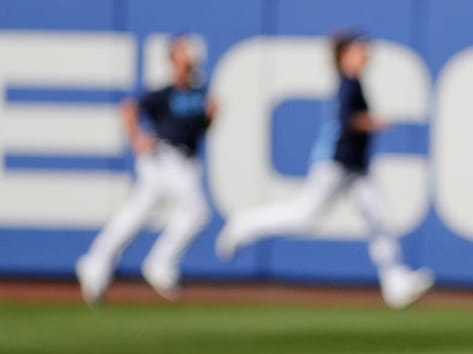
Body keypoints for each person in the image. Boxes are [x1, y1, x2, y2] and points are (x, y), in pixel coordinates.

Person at [215, 30, 433, 310]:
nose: (366, 54)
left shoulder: (355, 82)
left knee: (379, 219)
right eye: (360, 50)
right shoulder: (348, 84)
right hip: (335, 164)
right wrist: (371, 122)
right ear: (345, 56)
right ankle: (243, 223)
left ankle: (395, 282)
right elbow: (347, 119)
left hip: (354, 167)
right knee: (304, 216)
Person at [76, 35, 218, 305]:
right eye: (184, 52)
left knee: (135, 215)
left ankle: (94, 264)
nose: (191, 57)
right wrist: (136, 137)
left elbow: (200, 130)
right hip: (162, 157)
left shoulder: (200, 92)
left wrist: (211, 119)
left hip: (185, 163)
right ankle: (159, 264)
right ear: (173, 58)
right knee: (197, 211)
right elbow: (129, 109)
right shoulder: (163, 93)